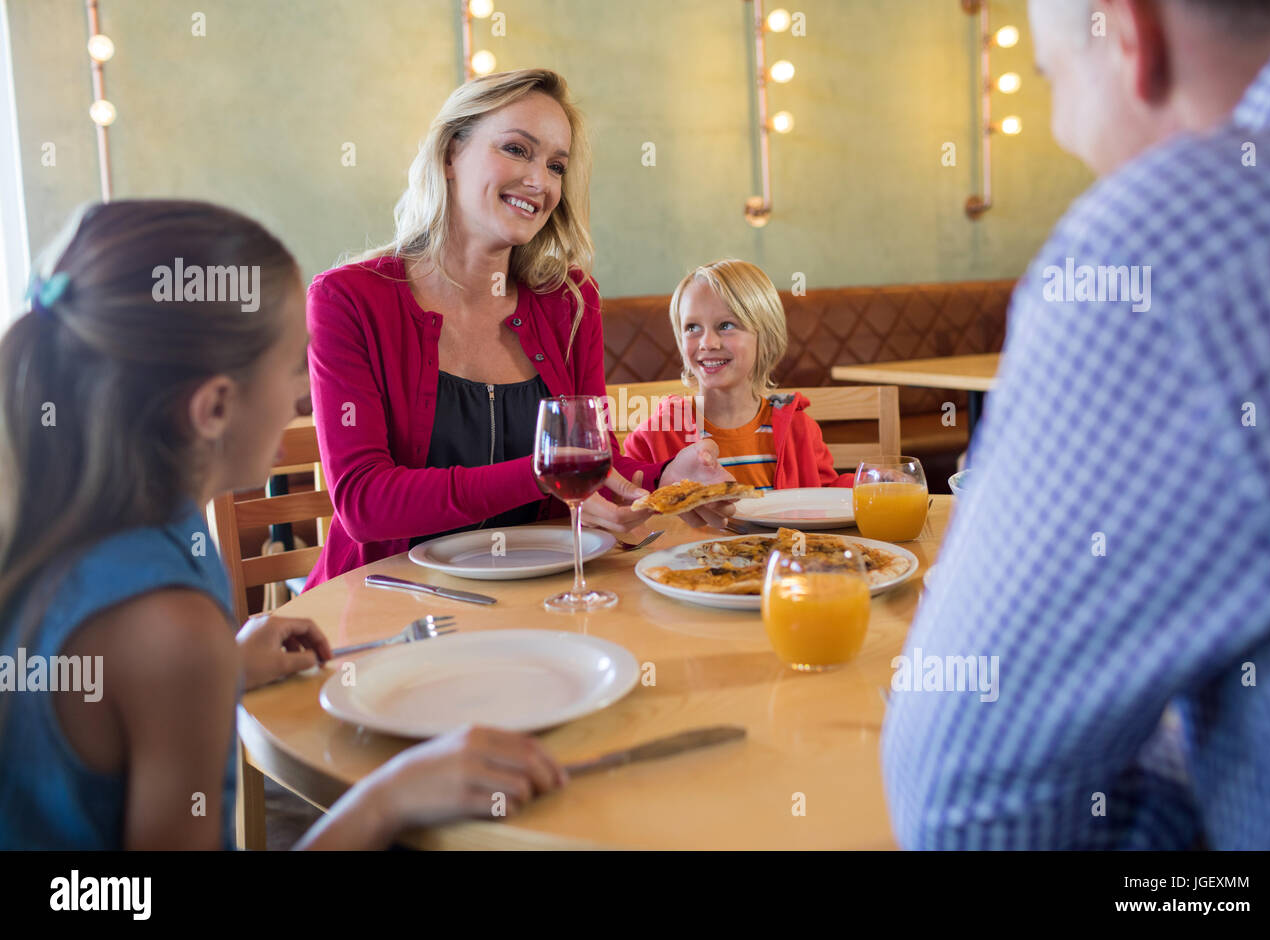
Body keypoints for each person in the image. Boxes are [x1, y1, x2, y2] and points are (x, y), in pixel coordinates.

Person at [0, 200, 566, 849]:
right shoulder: (171, 629)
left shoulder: (92, 534)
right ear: (213, 406)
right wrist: (386, 800)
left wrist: (226, 668)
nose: (305, 395)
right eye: (295, 362)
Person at [882, 0, 1270, 848]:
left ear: (1127, 25)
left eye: (1052, 79)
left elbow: (966, 816)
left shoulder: (1169, 246)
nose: (1068, 137)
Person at [305, 69, 728, 588]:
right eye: (516, 149)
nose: (541, 182)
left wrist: (668, 479)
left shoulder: (570, 302)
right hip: (388, 602)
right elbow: (366, 504)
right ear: (449, 156)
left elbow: (592, 459)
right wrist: (543, 472)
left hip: (540, 592)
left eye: (556, 166)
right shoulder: (349, 299)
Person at [621, 259, 852, 490]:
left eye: (726, 325)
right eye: (692, 327)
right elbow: (630, 503)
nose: (707, 343)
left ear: (766, 338)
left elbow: (826, 493)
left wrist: (870, 481)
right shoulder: (655, 435)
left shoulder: (799, 429)